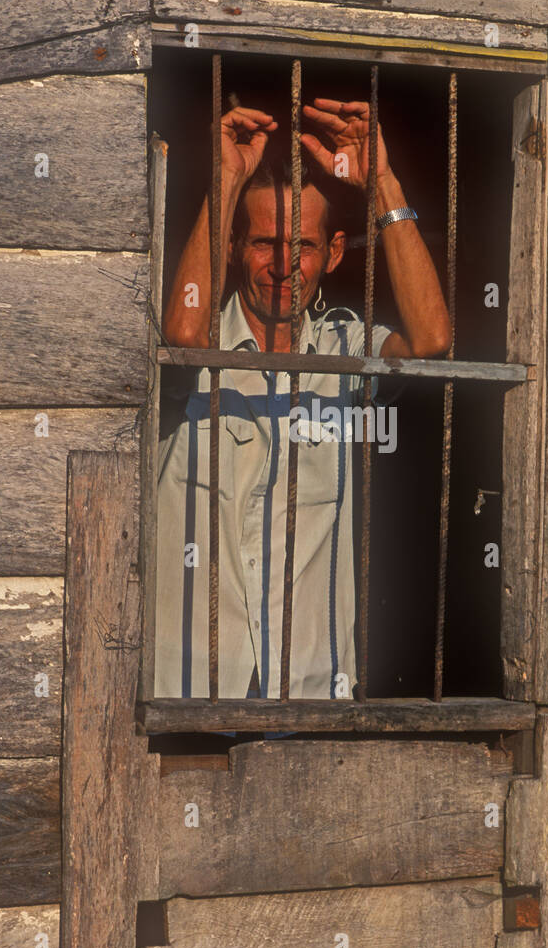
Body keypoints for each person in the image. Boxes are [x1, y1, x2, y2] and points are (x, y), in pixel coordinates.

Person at [155, 95, 451, 700]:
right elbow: (182, 332)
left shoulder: (345, 348)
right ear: (236, 248)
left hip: (309, 682)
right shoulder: (201, 344)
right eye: (263, 243)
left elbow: (432, 339)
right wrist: (228, 180)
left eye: (304, 246)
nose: (283, 266)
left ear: (335, 253)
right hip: (189, 681)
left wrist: (382, 183)